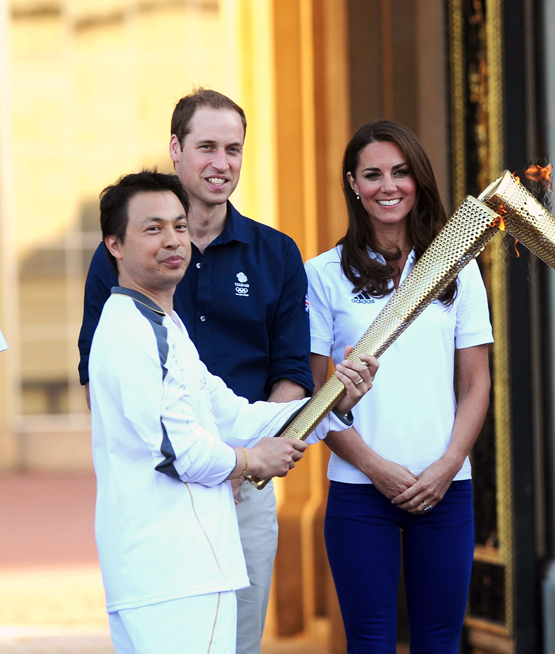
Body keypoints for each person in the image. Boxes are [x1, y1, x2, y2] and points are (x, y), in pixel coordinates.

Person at [89, 170, 376, 654]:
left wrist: (333, 402)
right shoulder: (132, 332)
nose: (172, 240)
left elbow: (236, 416)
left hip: (190, 569)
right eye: (153, 228)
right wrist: (250, 463)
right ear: (114, 245)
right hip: (171, 573)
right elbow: (179, 450)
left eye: (179, 226)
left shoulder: (165, 324)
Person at [77, 88, 314, 653]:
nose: (221, 162)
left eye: (233, 148)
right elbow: (162, 437)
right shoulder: (128, 305)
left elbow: (253, 395)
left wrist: (332, 404)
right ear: (176, 150)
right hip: (167, 529)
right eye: (206, 146)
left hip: (229, 502)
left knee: (237, 644)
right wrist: (241, 460)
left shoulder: (262, 261)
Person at [305, 119, 492, 652]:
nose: (388, 186)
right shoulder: (322, 274)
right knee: (370, 643)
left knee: (440, 643)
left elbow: (476, 382)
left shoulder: (457, 267)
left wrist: (448, 464)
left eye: (401, 172)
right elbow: (316, 394)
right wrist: (375, 467)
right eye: (373, 174)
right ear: (353, 185)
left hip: (445, 488)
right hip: (360, 491)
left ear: (418, 179)